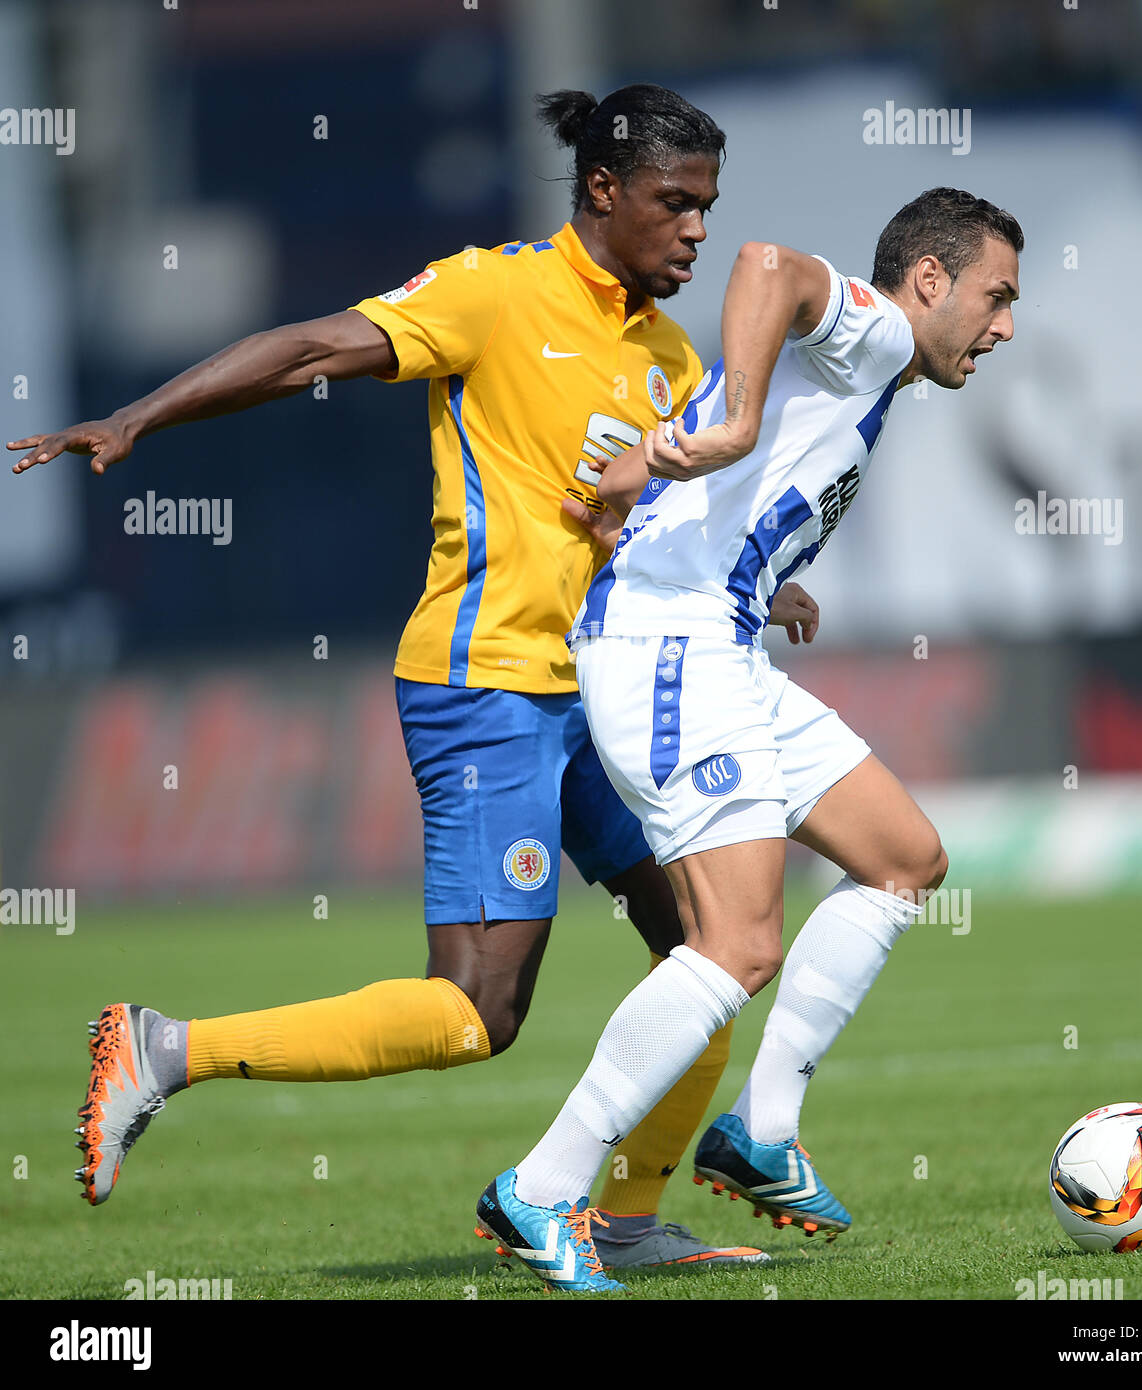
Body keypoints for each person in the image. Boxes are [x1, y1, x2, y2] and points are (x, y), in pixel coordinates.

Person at [9, 85, 811, 1270]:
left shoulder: (671, 353)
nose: (696, 231)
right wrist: (138, 419)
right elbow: (311, 348)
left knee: (711, 944)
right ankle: (164, 1046)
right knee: (478, 1012)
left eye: (708, 208)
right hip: (486, 688)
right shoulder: (496, 291)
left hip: (599, 696)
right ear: (601, 191)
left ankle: (626, 1219)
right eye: (674, 204)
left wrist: (762, 583)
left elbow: (663, 528)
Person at [476, 187, 1024, 1291]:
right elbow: (769, 262)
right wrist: (721, 426)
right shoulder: (871, 326)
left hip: (719, 643)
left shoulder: (866, 373)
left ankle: (762, 1128)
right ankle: (539, 1191)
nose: (1005, 326)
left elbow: (719, 480)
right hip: (668, 655)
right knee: (737, 945)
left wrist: (759, 574)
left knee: (904, 859)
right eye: (995, 296)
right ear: (929, 281)